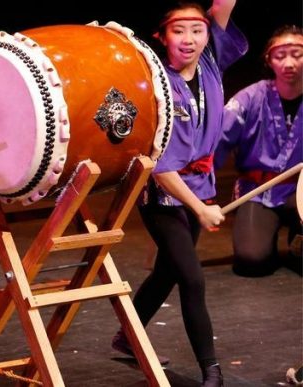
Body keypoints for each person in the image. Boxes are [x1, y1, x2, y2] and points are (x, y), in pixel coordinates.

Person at [111, 1, 247, 386]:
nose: (189, 39)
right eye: (178, 31)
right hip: (162, 194)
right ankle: (211, 370)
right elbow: (162, 168)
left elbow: (223, 4)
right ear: (161, 36)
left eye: (197, 30)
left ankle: (126, 336)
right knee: (192, 279)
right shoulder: (154, 84)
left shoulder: (211, 62)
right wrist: (200, 210)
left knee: (167, 271)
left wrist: (203, 203)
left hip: (201, 186)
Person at [217, 25, 302, 277]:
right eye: (280, 55)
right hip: (260, 191)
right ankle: (274, 238)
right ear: (269, 60)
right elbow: (219, 140)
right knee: (251, 260)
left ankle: (298, 237)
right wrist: (202, 194)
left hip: (301, 193)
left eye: (297, 54)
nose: (289, 63)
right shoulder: (250, 97)